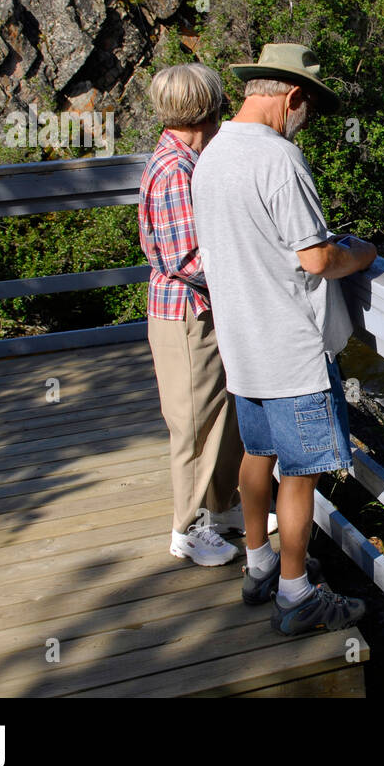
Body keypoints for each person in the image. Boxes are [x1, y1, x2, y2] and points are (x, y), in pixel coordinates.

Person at [192, 43, 377, 636]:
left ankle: (259, 563)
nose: (308, 121)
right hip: (290, 346)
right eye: (310, 109)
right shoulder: (279, 159)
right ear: (292, 96)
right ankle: (298, 596)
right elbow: (318, 257)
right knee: (300, 476)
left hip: (242, 341)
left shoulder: (212, 152)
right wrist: (362, 251)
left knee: (258, 457)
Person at [140, 63, 274, 567]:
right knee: (194, 426)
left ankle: (220, 509)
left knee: (221, 416)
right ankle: (188, 529)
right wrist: (252, 265)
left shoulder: (184, 158)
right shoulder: (175, 169)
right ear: (207, 108)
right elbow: (185, 259)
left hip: (197, 311)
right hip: (184, 315)